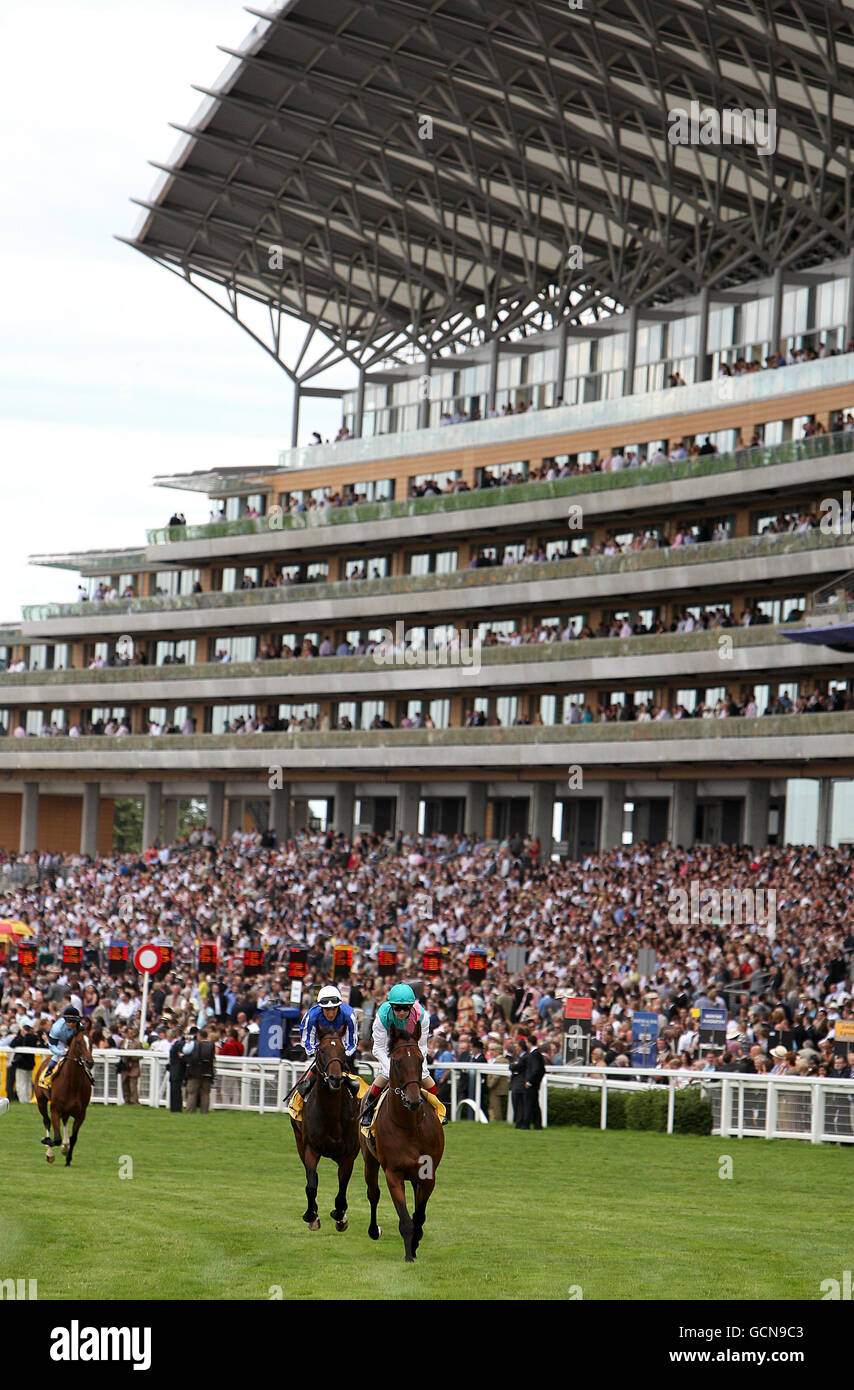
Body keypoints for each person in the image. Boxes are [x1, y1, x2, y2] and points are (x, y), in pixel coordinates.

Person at [359, 983, 441, 1130]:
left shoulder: (422, 1016)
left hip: (411, 1047)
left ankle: (439, 1109)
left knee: (423, 1074)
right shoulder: (382, 1016)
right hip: (389, 1044)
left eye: (406, 1008)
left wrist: (418, 1066)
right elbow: (378, 1048)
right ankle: (368, 1110)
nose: (401, 1012)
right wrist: (389, 1067)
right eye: (397, 1008)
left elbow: (422, 1047)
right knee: (385, 1073)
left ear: (412, 1006)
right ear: (391, 1006)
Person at [294, 984, 359, 1104]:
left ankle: (361, 1103)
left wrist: (339, 1055)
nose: (330, 1013)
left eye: (334, 1009)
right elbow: (307, 1043)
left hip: (341, 1048)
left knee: (353, 1078)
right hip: (321, 1048)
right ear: (321, 1007)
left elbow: (352, 1044)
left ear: (339, 1007)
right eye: (327, 1009)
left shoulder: (349, 1015)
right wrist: (322, 1054)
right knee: (316, 1067)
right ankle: (296, 1100)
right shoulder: (311, 1017)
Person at [41, 1007, 90, 1089]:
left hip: (72, 1041)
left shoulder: (80, 1027)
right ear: (64, 1020)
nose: (70, 1024)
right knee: (57, 1057)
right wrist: (61, 1053)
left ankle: (89, 1076)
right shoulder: (56, 1028)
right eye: (68, 1021)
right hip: (60, 1041)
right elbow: (52, 1046)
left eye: (73, 1022)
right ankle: (48, 1073)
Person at [182, 1027, 216, 1114]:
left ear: (198, 1036)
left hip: (195, 1071)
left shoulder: (194, 1044)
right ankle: (204, 1112)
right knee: (205, 1093)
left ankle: (190, 1111)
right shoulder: (211, 1045)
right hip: (208, 1071)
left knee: (192, 1093)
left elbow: (185, 1051)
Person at [520, 1033, 545, 1129]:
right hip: (534, 1083)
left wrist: (529, 1081)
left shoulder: (534, 1054)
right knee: (534, 1105)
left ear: (529, 1043)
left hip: (531, 1084)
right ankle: (537, 1124)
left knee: (529, 1104)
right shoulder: (536, 1054)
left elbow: (536, 1069)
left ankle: (526, 1124)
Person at [168, 1029, 186, 1113]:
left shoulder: (178, 1044)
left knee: (176, 1089)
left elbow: (180, 1056)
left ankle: (176, 1108)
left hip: (177, 1070)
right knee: (174, 1089)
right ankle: (174, 1107)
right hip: (174, 1069)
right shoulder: (175, 1044)